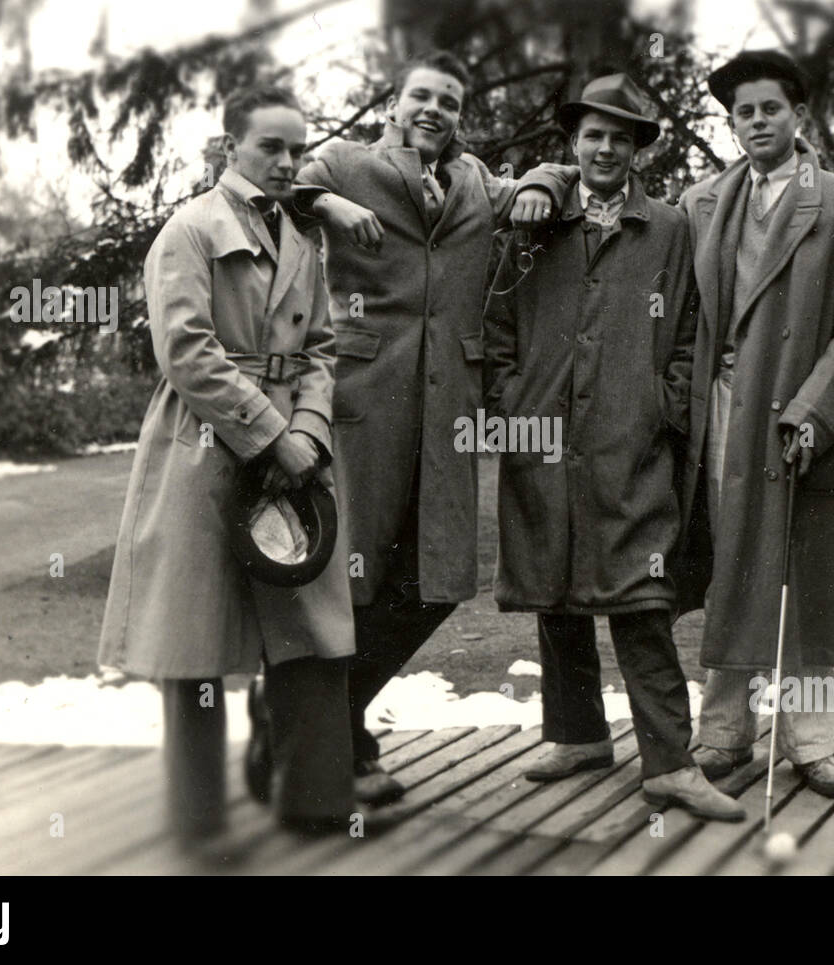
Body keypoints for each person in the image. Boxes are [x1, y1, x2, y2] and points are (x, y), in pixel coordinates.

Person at [272, 50, 567, 804]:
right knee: (354, 571)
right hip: (363, 401)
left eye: (451, 101)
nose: (436, 109)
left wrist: (539, 182)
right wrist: (326, 205)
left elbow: (554, 180)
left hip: (448, 412)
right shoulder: (343, 162)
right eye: (423, 96)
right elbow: (270, 189)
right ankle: (334, 737)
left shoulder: (472, 180)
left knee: (436, 579)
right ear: (394, 104)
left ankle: (326, 716)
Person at [97, 84, 360, 849]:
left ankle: (317, 809)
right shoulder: (189, 230)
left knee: (314, 631)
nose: (286, 161)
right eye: (270, 146)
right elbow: (186, 352)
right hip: (205, 446)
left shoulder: (300, 240)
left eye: (295, 148)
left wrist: (306, 431)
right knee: (195, 642)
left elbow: (320, 350)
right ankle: (198, 823)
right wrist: (271, 433)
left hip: (295, 448)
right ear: (228, 149)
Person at [483, 74, 744, 821]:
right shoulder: (535, 225)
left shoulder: (667, 228)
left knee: (640, 595)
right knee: (554, 583)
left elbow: (691, 330)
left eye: (620, 137)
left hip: (633, 441)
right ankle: (577, 736)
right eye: (593, 134)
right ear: (573, 143)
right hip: (540, 437)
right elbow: (496, 324)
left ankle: (669, 760)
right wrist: (508, 402)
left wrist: (663, 404)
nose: (605, 147)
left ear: (636, 151)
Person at [677, 50, 834, 799]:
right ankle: (724, 734)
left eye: (771, 107)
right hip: (725, 410)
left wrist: (814, 412)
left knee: (801, 581)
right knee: (733, 568)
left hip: (801, 416)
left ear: (799, 114)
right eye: (743, 112)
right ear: (730, 124)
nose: (757, 122)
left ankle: (813, 741)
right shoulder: (703, 202)